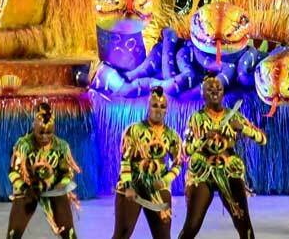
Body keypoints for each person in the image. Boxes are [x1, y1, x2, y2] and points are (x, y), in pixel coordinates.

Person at [177, 73, 265, 239]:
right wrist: (203, 139)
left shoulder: (234, 115)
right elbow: (186, 150)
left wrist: (243, 129)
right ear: (203, 94)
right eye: (210, 89)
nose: (215, 91)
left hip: (229, 170)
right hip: (202, 172)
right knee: (192, 225)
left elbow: (262, 139)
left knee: (244, 223)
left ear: (223, 92)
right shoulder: (196, 118)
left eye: (218, 88)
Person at [110, 87, 181, 239]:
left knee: (163, 235)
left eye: (162, 106)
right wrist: (128, 186)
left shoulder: (172, 135)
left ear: (166, 110)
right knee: (122, 233)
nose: (158, 109)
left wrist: (164, 181)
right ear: (148, 107)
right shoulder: (134, 130)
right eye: (155, 105)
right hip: (133, 183)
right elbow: (125, 160)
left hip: (157, 185)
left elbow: (178, 164)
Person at [6, 100, 80, 239]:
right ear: (33, 126)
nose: (45, 137)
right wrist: (25, 189)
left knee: (69, 233)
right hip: (28, 189)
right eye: (41, 133)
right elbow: (13, 172)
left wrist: (61, 184)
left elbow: (67, 172)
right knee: (13, 234)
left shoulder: (61, 146)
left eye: (49, 132)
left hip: (54, 189)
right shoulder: (23, 145)